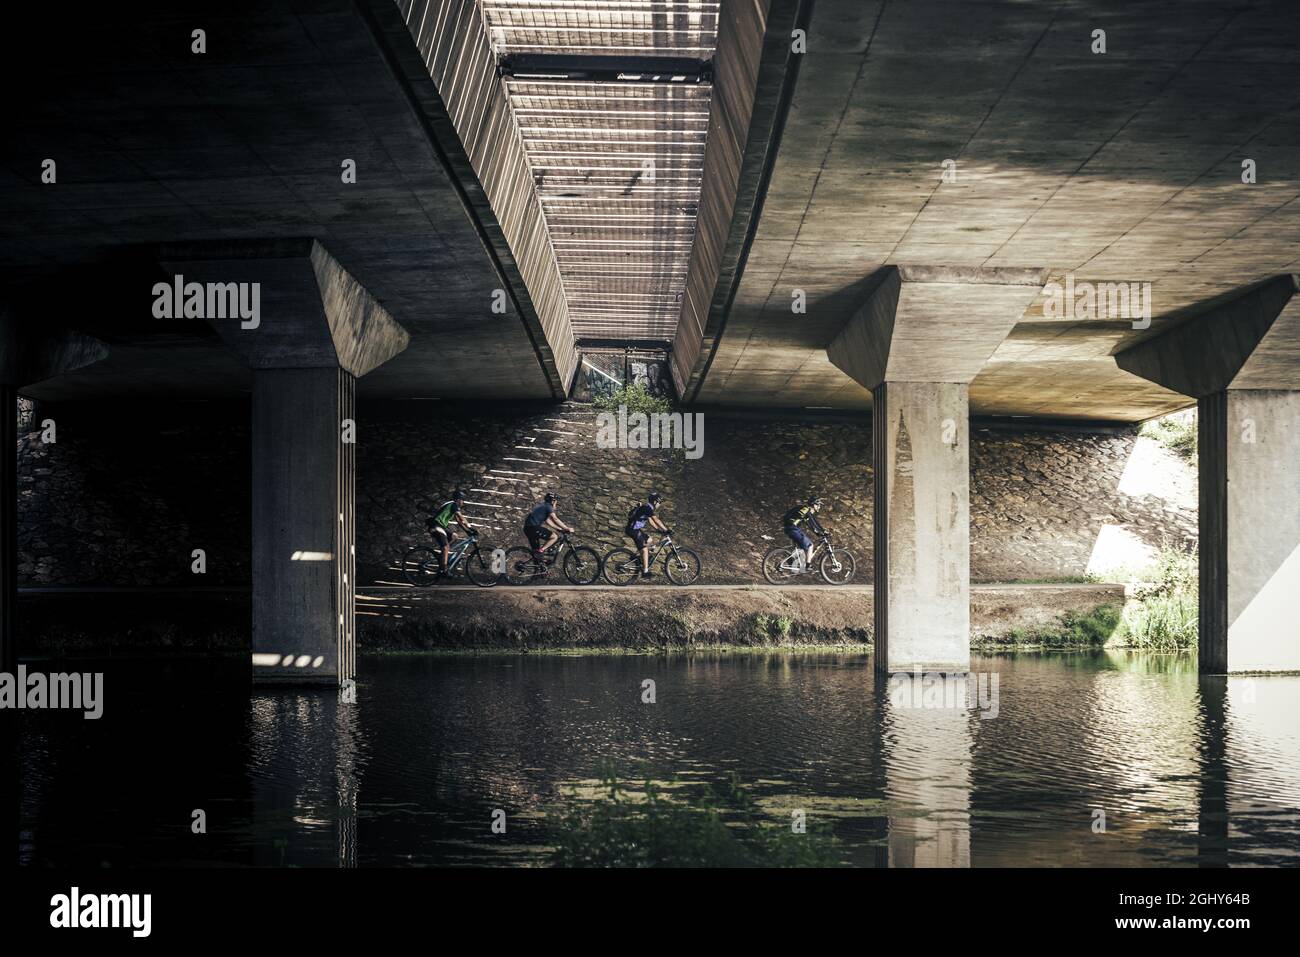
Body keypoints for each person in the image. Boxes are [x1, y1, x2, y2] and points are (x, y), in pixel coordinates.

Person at [626, 491, 670, 579]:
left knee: (649, 540)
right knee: (645, 550)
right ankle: (645, 572)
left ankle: (638, 556)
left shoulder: (647, 508)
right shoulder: (647, 508)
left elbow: (651, 522)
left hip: (635, 529)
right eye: (659, 502)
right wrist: (666, 530)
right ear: (655, 502)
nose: (660, 504)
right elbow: (656, 520)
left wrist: (659, 530)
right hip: (633, 530)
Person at [429, 489, 475, 575]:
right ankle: (444, 570)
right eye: (462, 500)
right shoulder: (454, 505)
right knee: (446, 547)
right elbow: (461, 517)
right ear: (458, 500)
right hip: (436, 526)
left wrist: (467, 531)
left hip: (440, 526)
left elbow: (459, 522)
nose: (463, 502)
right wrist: (470, 527)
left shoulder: (451, 505)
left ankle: (443, 556)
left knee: (454, 536)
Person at [524, 491, 573, 559]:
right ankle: (541, 550)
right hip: (534, 528)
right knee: (554, 537)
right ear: (553, 501)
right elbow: (555, 519)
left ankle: (539, 566)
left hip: (528, 529)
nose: (556, 504)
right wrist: (566, 528)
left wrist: (559, 529)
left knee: (536, 553)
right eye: (556, 502)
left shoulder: (542, 505)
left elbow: (548, 521)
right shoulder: (548, 506)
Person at [782, 495, 825, 572]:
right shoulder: (806, 509)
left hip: (789, 528)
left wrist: (818, 533)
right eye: (818, 505)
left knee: (803, 548)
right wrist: (823, 531)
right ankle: (808, 566)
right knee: (810, 545)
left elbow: (810, 525)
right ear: (814, 504)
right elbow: (814, 522)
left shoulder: (804, 510)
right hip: (793, 528)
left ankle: (791, 560)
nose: (819, 507)